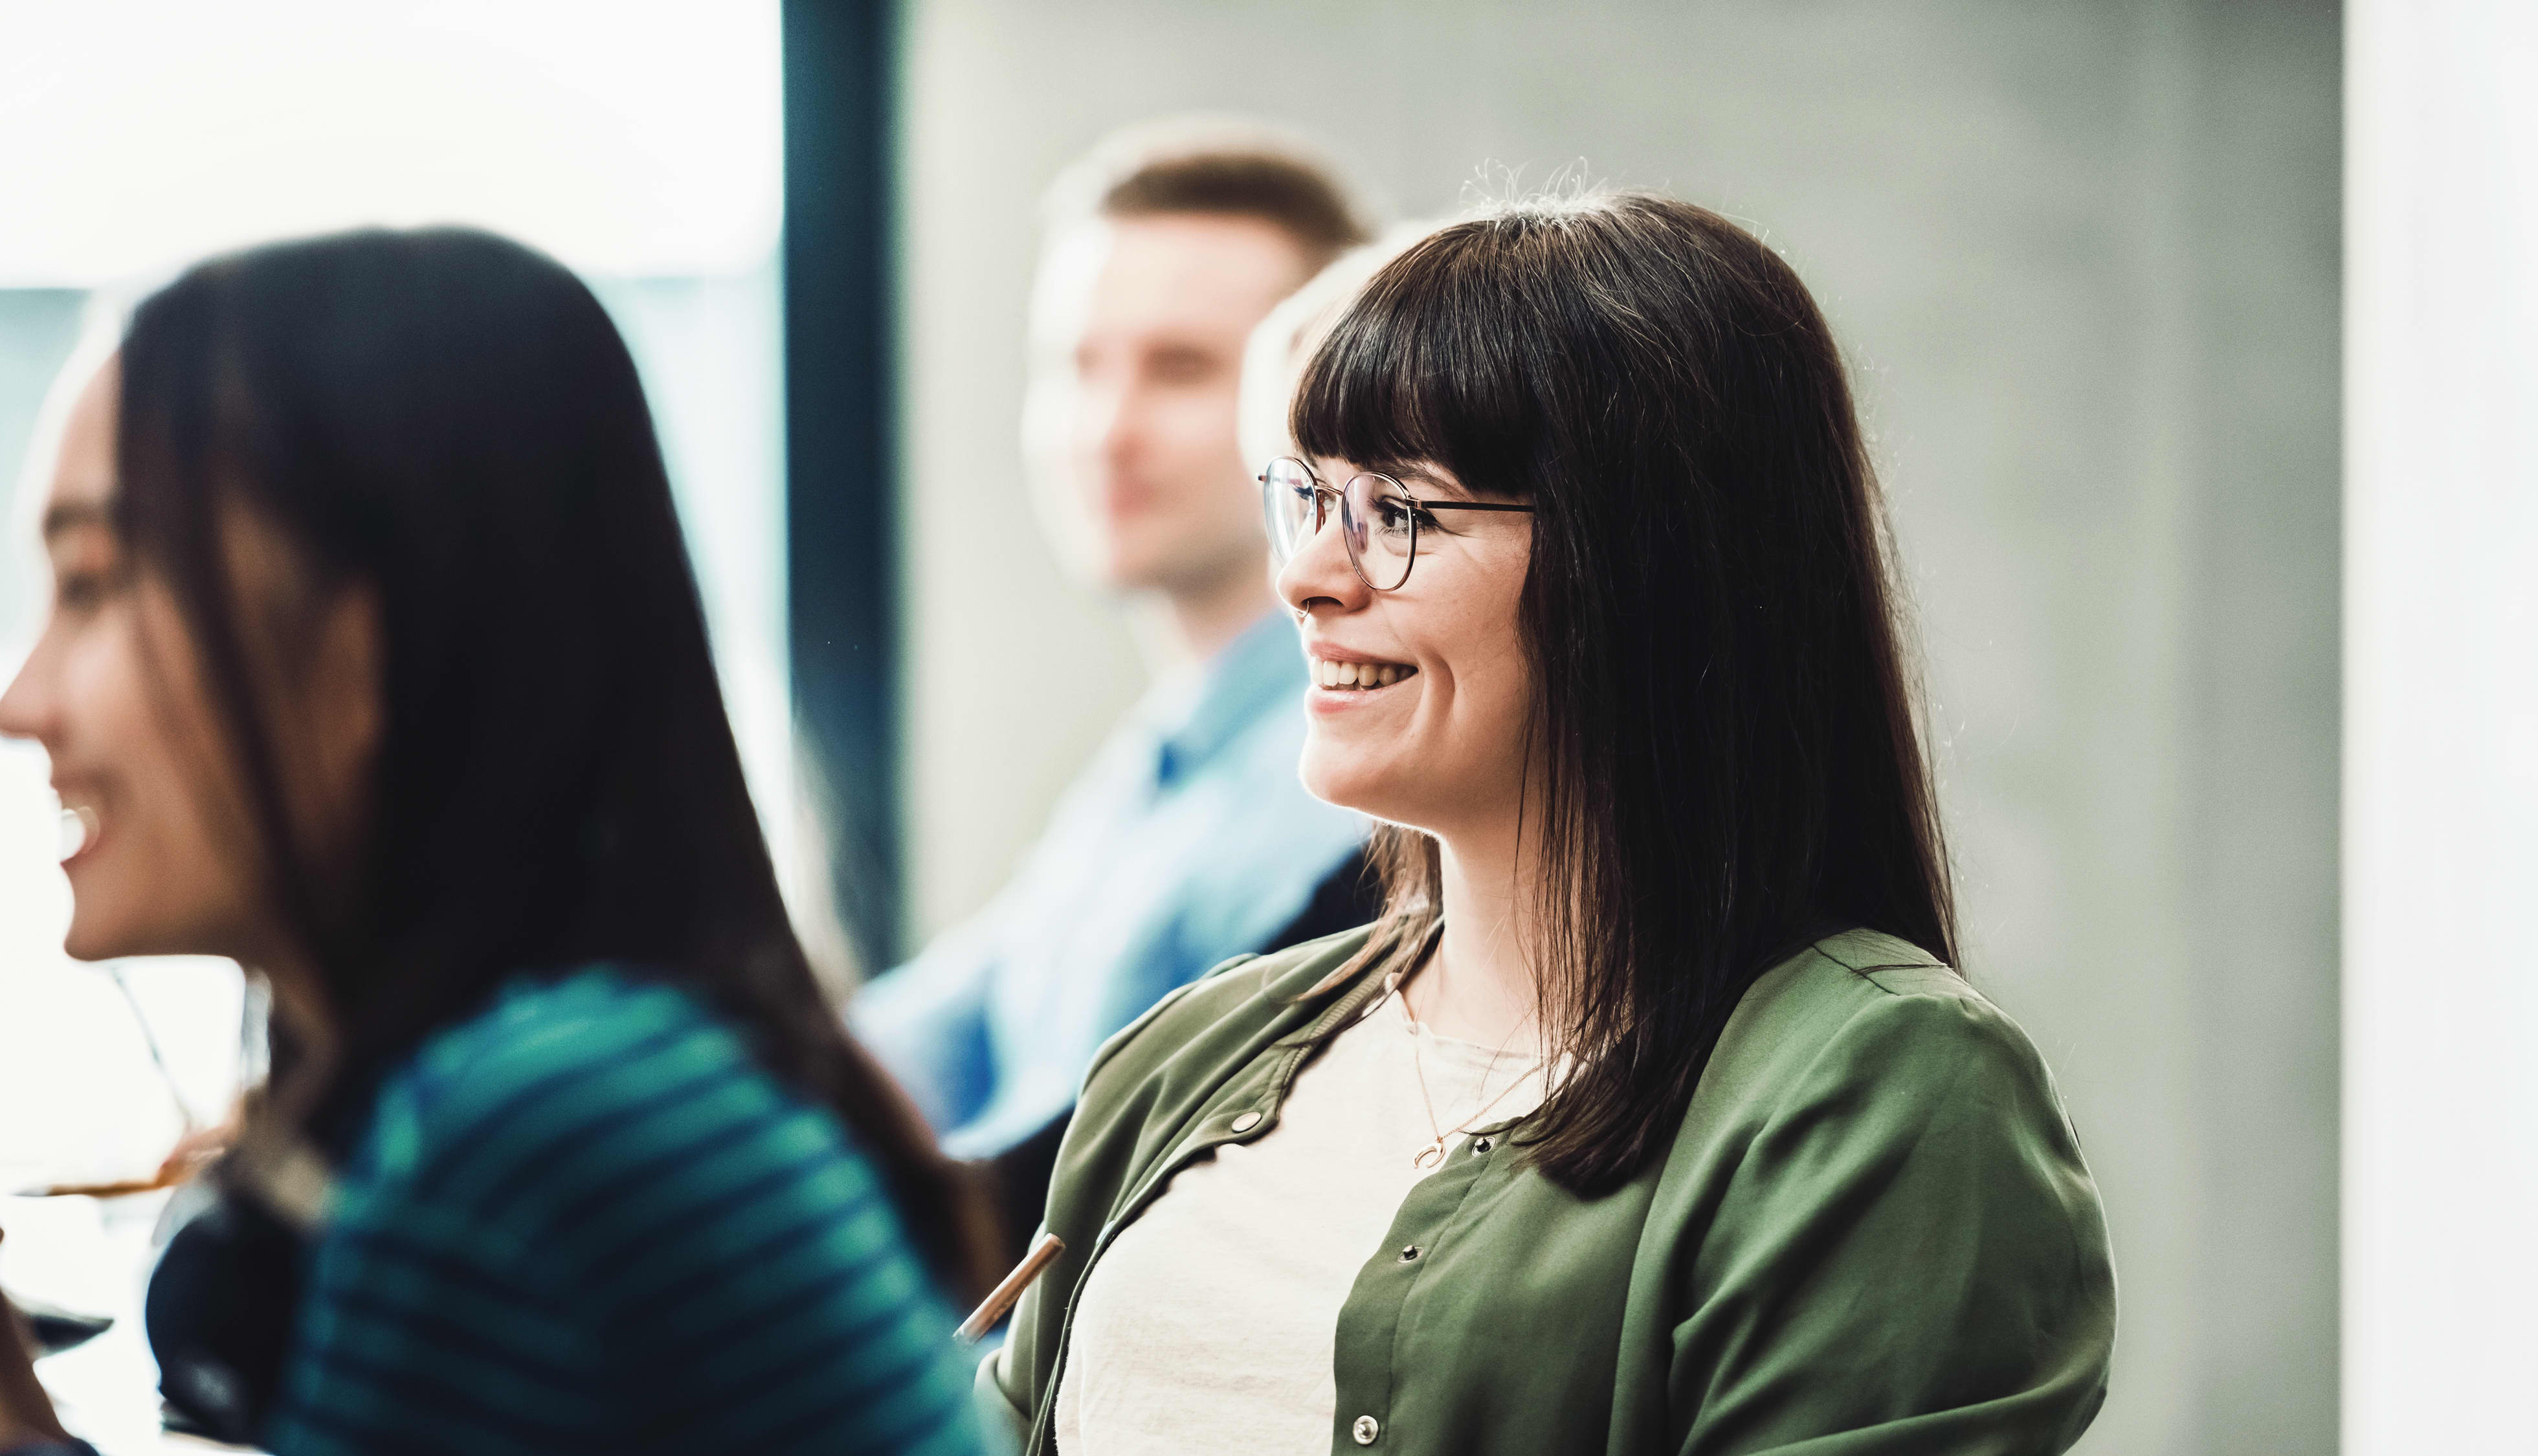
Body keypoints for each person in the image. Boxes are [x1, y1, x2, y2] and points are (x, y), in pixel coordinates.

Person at [975, 192, 2117, 1455]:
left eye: (1399, 512)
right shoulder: (1181, 1061)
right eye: (1305, 497)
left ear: (1642, 572)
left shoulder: (1877, 1102)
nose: (1303, 574)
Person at [0, 228, 1000, 1455]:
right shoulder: (622, 1066)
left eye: (96, 584)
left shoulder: (525, 1139)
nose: (21, 699)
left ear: (373, 636)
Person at [852, 120, 1375, 1248]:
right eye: (1078, 366)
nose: (1108, 428)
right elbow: (924, 1038)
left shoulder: (1349, 797)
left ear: (1334, 408)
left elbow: (1058, 1189)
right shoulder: (1151, 765)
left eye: (1181, 369)